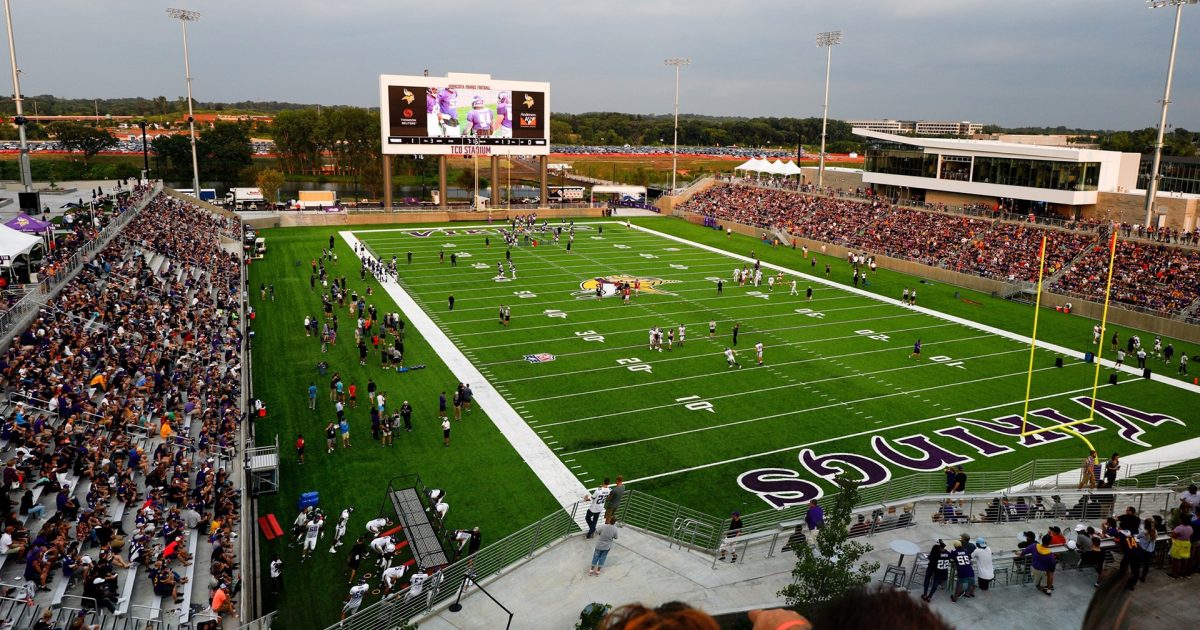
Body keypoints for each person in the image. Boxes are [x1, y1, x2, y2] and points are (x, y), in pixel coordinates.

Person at [1168, 512, 1193, 579]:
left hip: (1178, 544)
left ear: (1182, 520)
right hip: (1186, 544)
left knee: (1175, 560)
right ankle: (1183, 574)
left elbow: (1173, 536)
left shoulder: (1179, 528)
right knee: (1184, 559)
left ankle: (1174, 575)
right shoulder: (1190, 528)